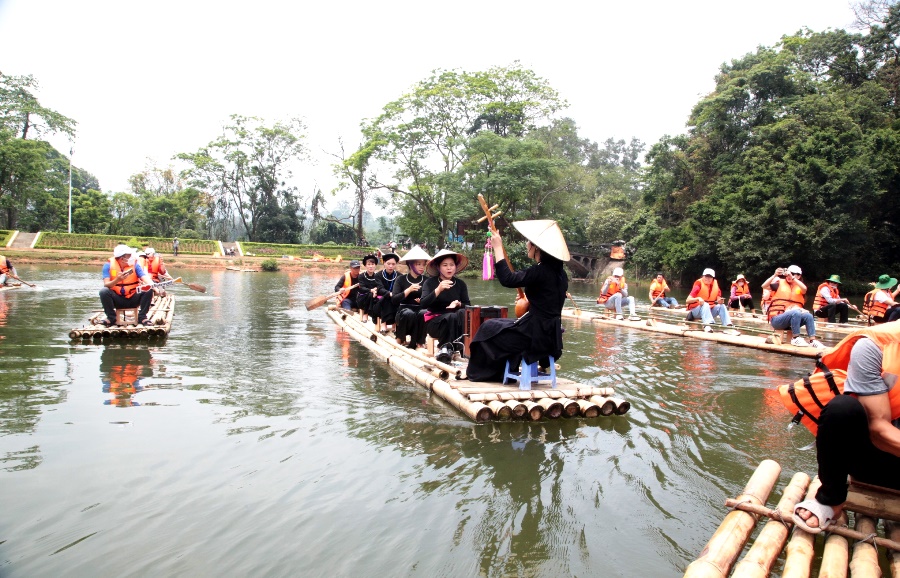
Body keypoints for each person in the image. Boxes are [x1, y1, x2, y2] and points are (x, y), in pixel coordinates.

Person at [792, 322, 900, 534]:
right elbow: (879, 429)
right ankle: (831, 498)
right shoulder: (874, 347)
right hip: (880, 459)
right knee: (841, 409)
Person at [467, 220, 569, 382]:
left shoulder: (539, 271)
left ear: (537, 248)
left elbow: (507, 279)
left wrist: (498, 248)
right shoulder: (561, 275)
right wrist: (528, 300)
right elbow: (546, 300)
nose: (527, 244)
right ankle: (505, 370)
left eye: (529, 242)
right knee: (499, 324)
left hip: (533, 335)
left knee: (487, 328)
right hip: (550, 335)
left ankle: (486, 374)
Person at [762, 265, 824, 348]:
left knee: (808, 315)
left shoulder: (800, 286)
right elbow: (764, 286)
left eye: (793, 274)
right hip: (777, 319)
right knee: (796, 312)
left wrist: (793, 278)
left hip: (793, 320)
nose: (789, 276)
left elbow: (804, 289)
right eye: (789, 274)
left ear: (798, 276)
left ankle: (812, 340)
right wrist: (774, 275)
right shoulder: (779, 283)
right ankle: (796, 338)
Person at [420, 249, 471, 349]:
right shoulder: (430, 283)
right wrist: (438, 289)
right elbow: (423, 304)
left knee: (462, 313)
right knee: (451, 316)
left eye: (452, 265)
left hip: (456, 321)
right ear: (438, 267)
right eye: (445, 265)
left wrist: (458, 304)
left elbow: (468, 305)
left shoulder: (460, 284)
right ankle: (445, 348)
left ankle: (462, 348)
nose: (449, 268)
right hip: (435, 323)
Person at [99, 244, 155, 327]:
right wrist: (117, 280)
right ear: (122, 259)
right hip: (117, 300)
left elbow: (144, 277)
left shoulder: (135, 265)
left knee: (148, 289)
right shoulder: (108, 265)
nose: (132, 257)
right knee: (103, 291)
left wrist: (153, 285)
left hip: (133, 299)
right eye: (129, 256)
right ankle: (111, 317)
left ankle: (142, 317)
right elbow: (106, 284)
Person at [391, 246, 431, 348]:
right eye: (418, 264)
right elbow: (394, 299)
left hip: (420, 309)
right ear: (411, 264)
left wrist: (422, 302)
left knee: (424, 312)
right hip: (404, 310)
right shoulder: (401, 279)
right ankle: (400, 337)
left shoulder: (427, 280)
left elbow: (431, 299)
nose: (422, 267)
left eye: (423, 264)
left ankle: (420, 341)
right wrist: (408, 290)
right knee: (409, 313)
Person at [685, 268, 737, 333]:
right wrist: (698, 298)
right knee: (705, 304)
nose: (708, 279)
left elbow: (718, 297)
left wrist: (719, 300)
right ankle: (707, 325)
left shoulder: (715, 284)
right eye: (706, 276)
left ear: (713, 278)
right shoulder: (698, 285)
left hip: (708, 311)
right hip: (696, 311)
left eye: (710, 277)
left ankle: (727, 326)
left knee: (722, 306)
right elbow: (687, 300)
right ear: (703, 276)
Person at [375, 251, 400, 332]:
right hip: (381, 299)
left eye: (393, 264)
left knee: (397, 301)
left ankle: (395, 325)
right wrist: (389, 293)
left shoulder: (399, 276)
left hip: (395, 298)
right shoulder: (378, 275)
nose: (391, 266)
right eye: (388, 263)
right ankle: (383, 323)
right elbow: (380, 289)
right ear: (384, 263)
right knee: (386, 299)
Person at [356, 254, 381, 323]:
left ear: (375, 265)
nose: (371, 266)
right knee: (370, 294)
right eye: (369, 264)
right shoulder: (361, 276)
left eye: (372, 264)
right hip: (362, 298)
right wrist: (371, 290)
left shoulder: (377, 276)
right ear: (365, 266)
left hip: (374, 296)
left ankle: (379, 319)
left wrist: (375, 290)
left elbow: (380, 286)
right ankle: (365, 314)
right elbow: (362, 288)